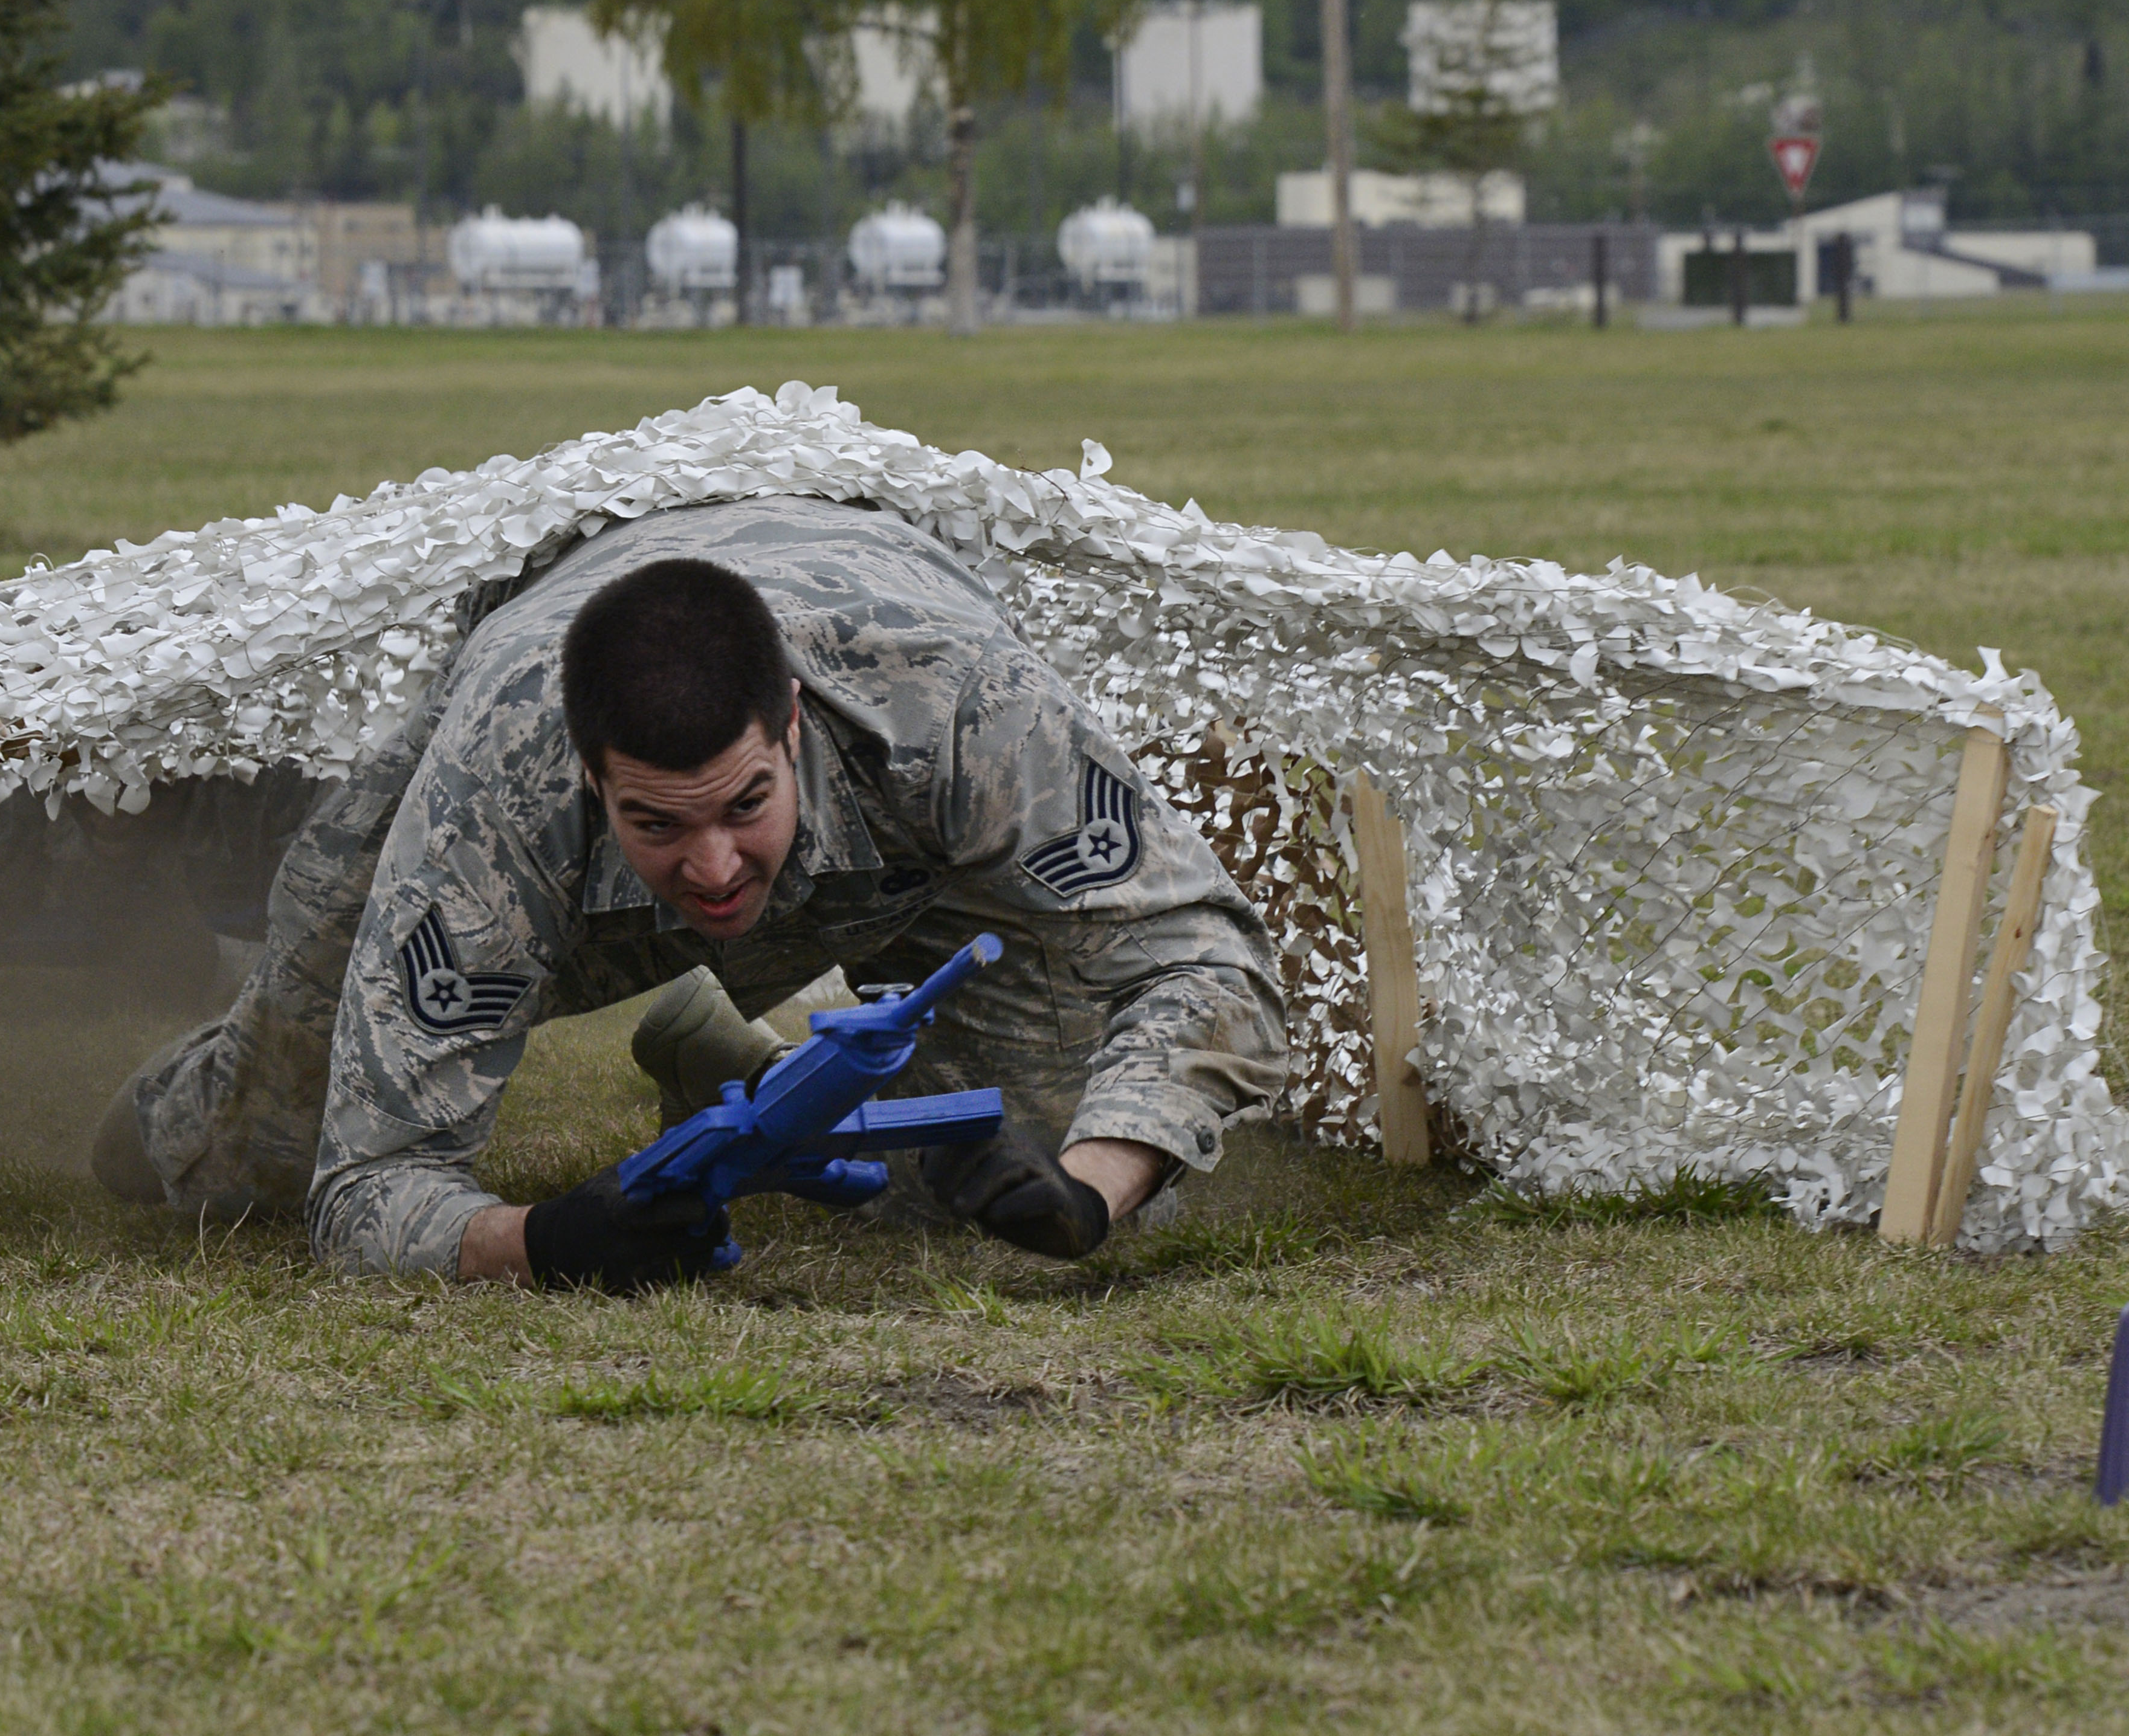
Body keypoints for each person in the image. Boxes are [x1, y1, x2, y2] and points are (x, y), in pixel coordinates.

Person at [93, 495, 1293, 1289]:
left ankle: (745, 1077)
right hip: (549, 879)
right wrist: (542, 1241)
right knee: (238, 1160)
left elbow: (1208, 961)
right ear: (586, 771)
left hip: (908, 874)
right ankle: (182, 1097)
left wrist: (1089, 1188)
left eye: (742, 803)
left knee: (1000, 1190)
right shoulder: (493, 788)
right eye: (659, 820)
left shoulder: (969, 704)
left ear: (791, 725)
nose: (712, 866)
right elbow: (365, 1189)